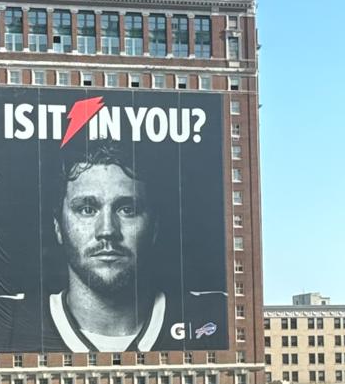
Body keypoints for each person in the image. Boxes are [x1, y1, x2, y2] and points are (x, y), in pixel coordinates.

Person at [43, 143, 223, 352]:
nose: (107, 230)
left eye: (127, 210)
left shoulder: (216, 314)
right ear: (58, 227)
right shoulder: (5, 322)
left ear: (154, 227)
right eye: (87, 209)